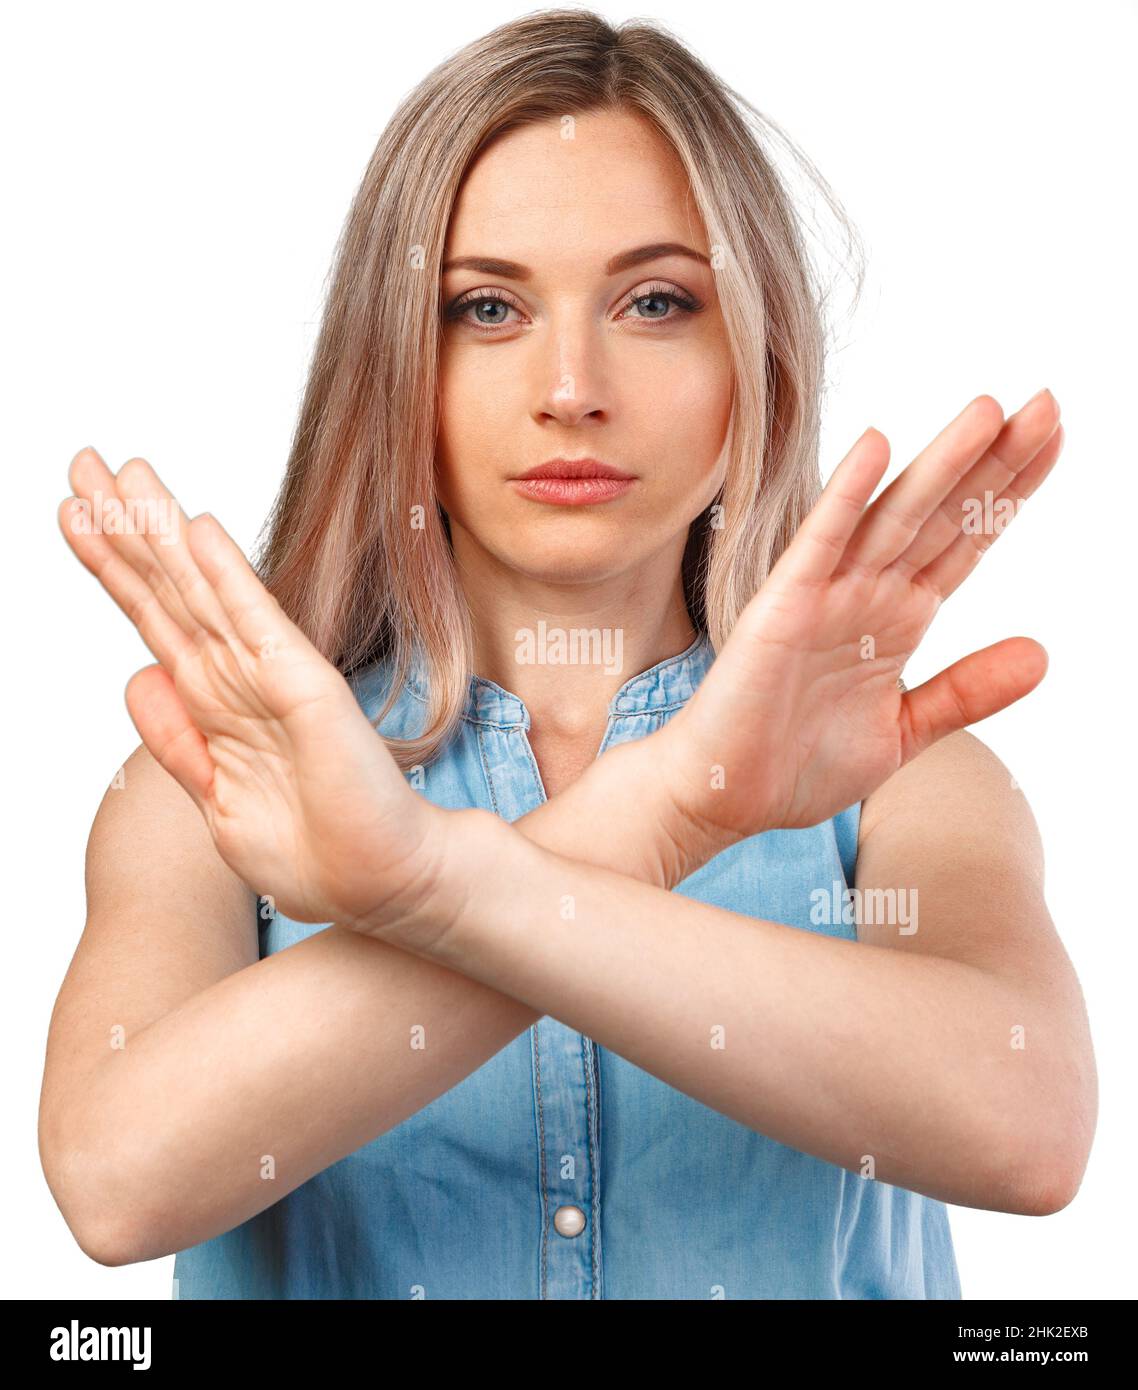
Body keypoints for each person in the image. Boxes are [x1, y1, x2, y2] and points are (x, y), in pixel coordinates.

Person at [39, 9, 1095, 1300]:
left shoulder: (893, 778)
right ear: (395, 361)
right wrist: (667, 813)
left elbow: (1029, 1126)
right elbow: (116, 1178)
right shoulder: (211, 784)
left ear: (749, 359)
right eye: (486, 307)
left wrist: (431, 885)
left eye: (655, 301)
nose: (570, 386)